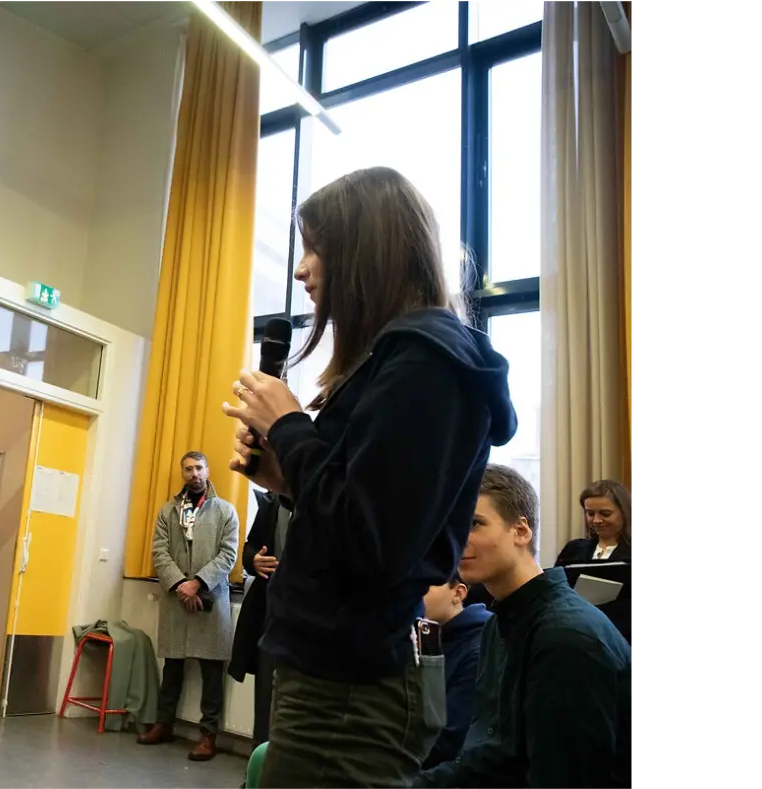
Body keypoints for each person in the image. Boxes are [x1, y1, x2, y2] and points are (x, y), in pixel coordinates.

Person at [223, 165, 517, 787]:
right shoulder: (402, 360)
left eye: (315, 248)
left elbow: (373, 542)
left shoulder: (424, 362)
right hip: (338, 673)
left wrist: (291, 427)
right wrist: (287, 476)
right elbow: (364, 511)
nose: (301, 269)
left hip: (350, 687)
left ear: (364, 254)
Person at [416, 464, 633, 788]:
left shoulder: (565, 637)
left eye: (474, 523)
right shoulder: (498, 622)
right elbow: (494, 755)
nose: (457, 539)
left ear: (521, 531)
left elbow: (563, 776)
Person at [137, 451, 239, 761]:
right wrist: (182, 585)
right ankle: (163, 724)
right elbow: (159, 552)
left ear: (207, 470)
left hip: (210, 600)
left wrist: (199, 583)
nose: (193, 474)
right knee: (173, 668)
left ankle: (208, 735)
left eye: (198, 468)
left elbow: (228, 554)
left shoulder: (225, 511)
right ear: (182, 473)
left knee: (211, 671)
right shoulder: (169, 511)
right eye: (188, 469)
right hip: (178, 600)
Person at [227, 489, 289, 751]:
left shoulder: (328, 500)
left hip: (313, 622)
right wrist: (254, 559)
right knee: (265, 697)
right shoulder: (272, 503)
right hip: (270, 615)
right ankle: (256, 768)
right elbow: (249, 550)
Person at [419, 574, 491, 769]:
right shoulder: (426, 635)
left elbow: (449, 741)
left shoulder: (477, 648)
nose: (415, 594)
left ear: (458, 593)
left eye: (425, 585)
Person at [555, 479, 634, 564]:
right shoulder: (572, 549)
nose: (596, 520)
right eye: (590, 514)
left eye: (605, 514)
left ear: (625, 512)